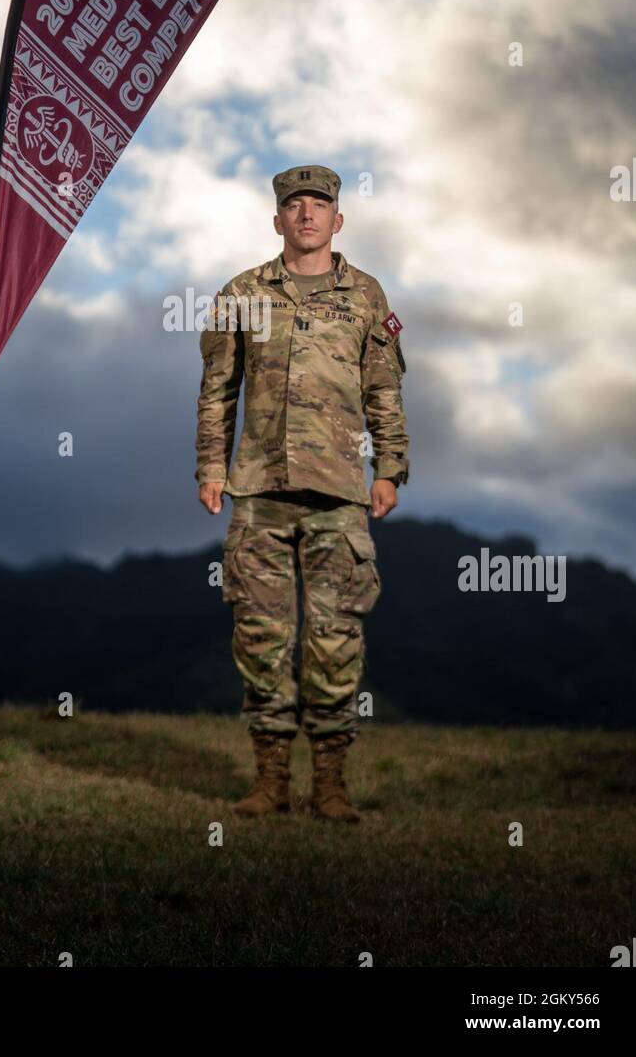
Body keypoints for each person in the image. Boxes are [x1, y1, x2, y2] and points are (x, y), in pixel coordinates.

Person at [196, 165, 409, 823]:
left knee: (335, 640)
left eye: (320, 205)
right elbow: (217, 390)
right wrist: (210, 466)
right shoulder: (242, 293)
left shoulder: (367, 296)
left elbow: (385, 391)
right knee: (261, 638)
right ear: (278, 219)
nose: (307, 214)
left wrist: (390, 467)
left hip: (342, 492)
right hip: (258, 490)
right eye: (295, 206)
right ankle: (270, 782)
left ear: (338, 219)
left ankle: (331, 784)